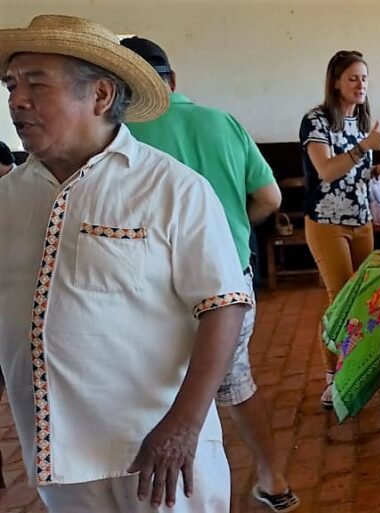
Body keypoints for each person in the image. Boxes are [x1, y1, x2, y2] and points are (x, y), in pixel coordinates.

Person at [0, 15, 250, 511]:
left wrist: (183, 426)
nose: (17, 101)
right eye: (11, 85)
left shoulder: (172, 189)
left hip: (157, 455)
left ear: (100, 95)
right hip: (57, 456)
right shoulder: (8, 198)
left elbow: (224, 306)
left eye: (36, 84)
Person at [121, 36, 299, 512]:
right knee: (234, 384)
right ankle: (273, 478)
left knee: (157, 385)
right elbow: (271, 199)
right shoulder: (222, 122)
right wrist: (230, 229)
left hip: (152, 289)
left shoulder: (118, 135)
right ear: (173, 80)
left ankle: (166, 493)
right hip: (230, 280)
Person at [299, 50, 380, 408]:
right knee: (340, 299)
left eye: (364, 78)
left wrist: (379, 171)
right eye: (353, 78)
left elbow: (355, 171)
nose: (360, 84)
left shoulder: (362, 121)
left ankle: (360, 367)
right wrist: (364, 147)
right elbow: (326, 171)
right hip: (326, 223)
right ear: (335, 82)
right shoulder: (316, 121)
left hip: (360, 220)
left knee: (365, 297)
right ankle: (332, 378)